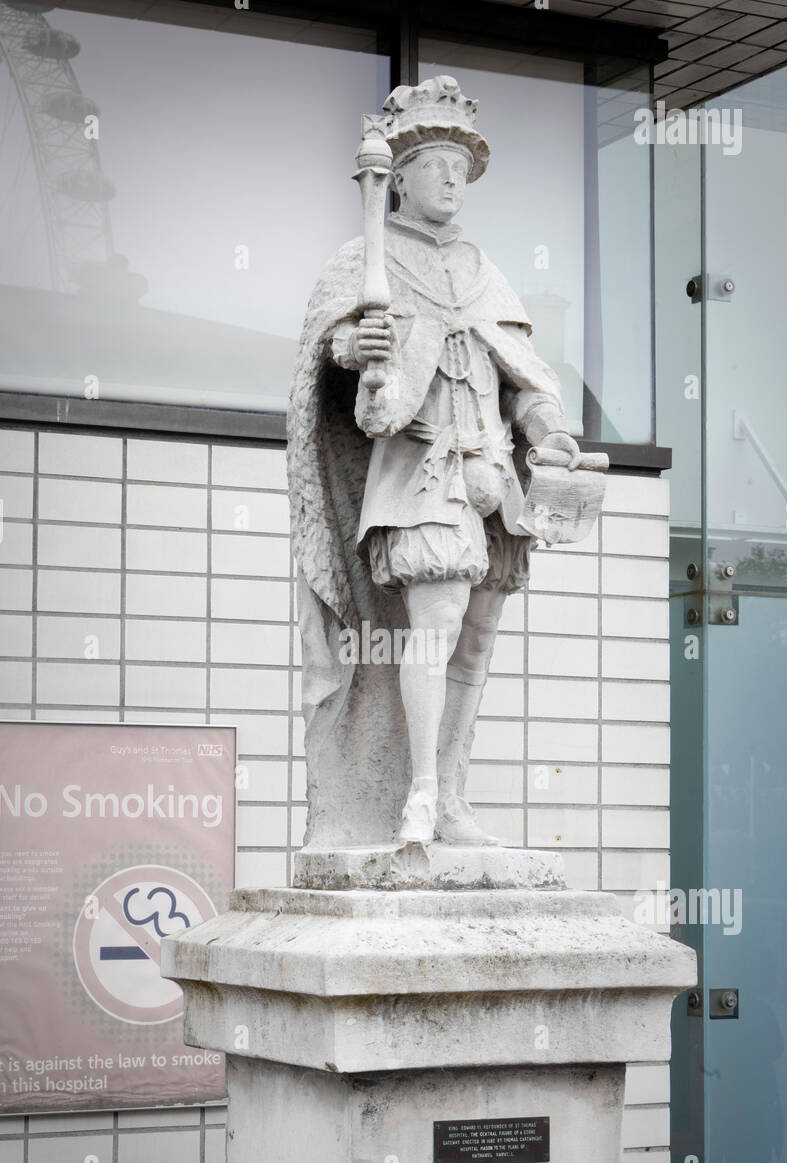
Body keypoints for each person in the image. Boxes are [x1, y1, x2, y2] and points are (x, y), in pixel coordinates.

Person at [288, 75, 581, 848]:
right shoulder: (364, 259)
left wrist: (548, 428)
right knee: (436, 623)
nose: (453, 178)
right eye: (438, 163)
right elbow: (334, 360)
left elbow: (523, 379)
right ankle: (416, 793)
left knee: (477, 639)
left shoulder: (488, 272)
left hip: (494, 476)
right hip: (422, 472)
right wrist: (354, 346)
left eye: (463, 166)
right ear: (401, 176)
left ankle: (452, 792)